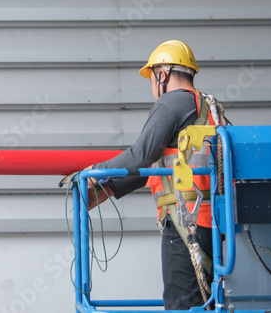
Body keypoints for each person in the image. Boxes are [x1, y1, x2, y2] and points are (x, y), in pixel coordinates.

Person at [86, 40, 225, 310]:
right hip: (212, 224)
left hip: (185, 224)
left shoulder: (171, 103)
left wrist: (94, 173)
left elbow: (141, 154)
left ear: (162, 74)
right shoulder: (206, 107)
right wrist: (108, 190)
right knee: (203, 303)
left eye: (152, 77)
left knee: (181, 304)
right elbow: (159, 162)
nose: (152, 86)